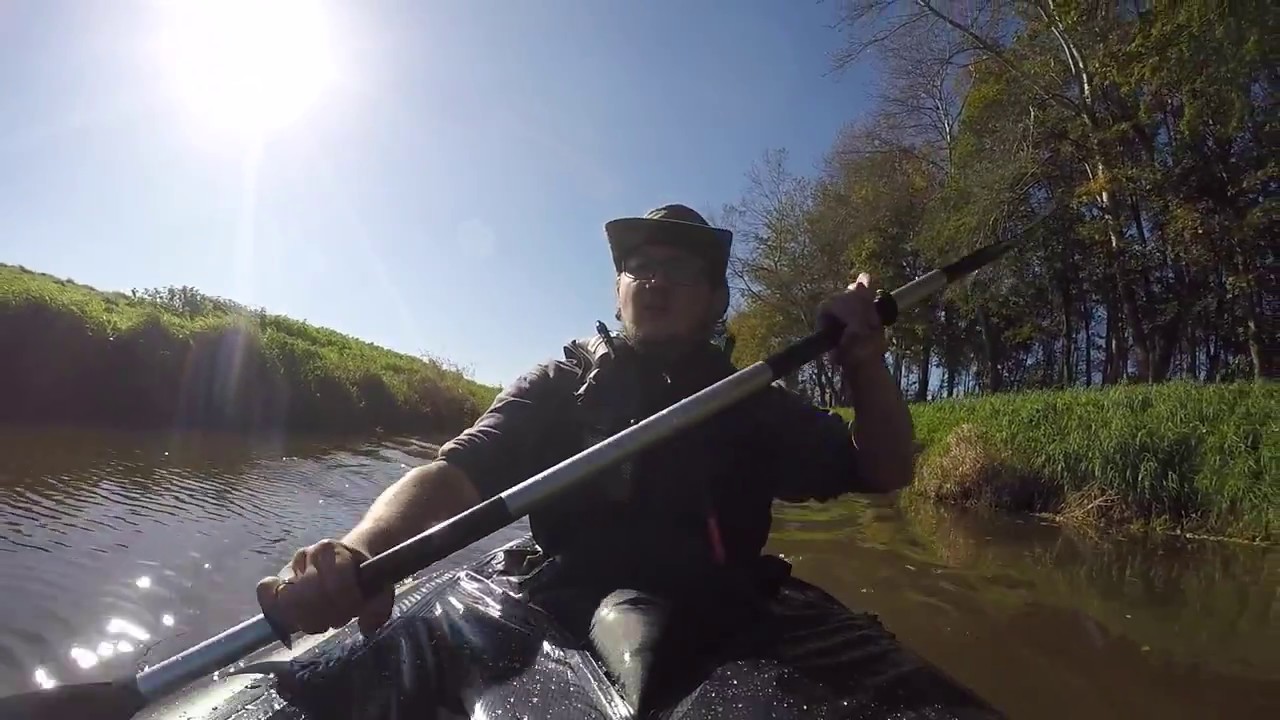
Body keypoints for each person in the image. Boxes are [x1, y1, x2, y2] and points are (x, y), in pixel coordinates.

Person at [256, 204, 915, 704]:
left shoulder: (753, 399)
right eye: (639, 266)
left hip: (725, 604)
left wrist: (864, 366)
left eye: (680, 269)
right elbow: (453, 474)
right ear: (617, 290)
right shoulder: (560, 384)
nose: (654, 281)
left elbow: (885, 468)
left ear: (716, 301)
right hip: (561, 598)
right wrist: (364, 547)